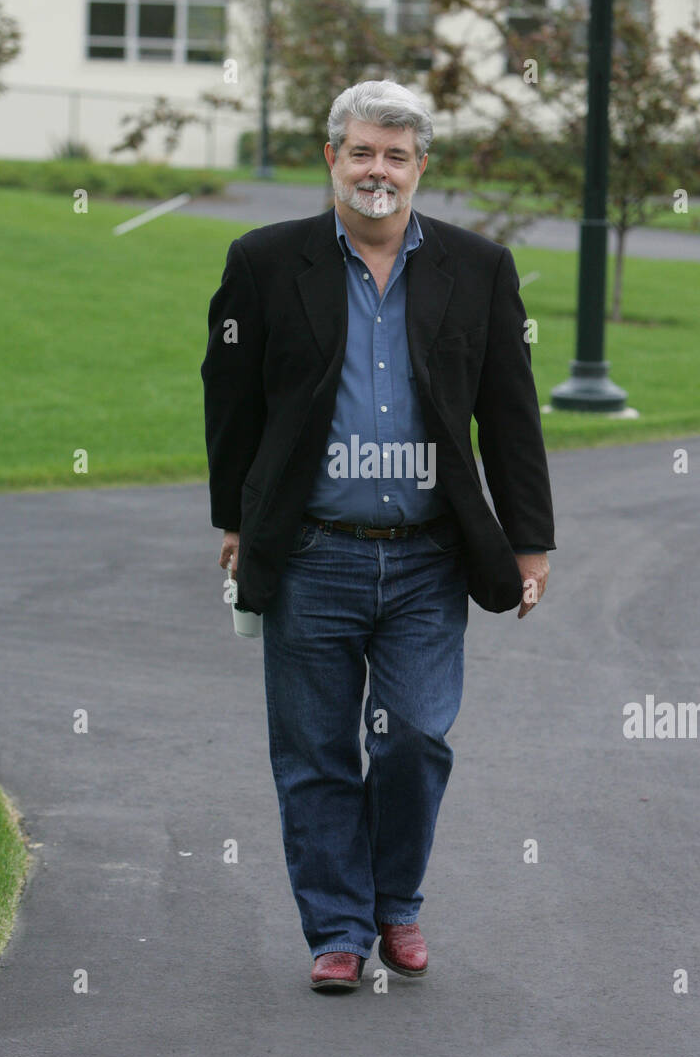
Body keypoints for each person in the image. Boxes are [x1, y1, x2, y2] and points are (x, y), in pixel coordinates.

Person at [201, 79, 554, 993]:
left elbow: (511, 417)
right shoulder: (266, 262)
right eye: (361, 152)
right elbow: (230, 404)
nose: (377, 171)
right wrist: (236, 520)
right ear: (332, 158)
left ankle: (396, 903)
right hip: (313, 550)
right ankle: (339, 933)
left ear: (421, 166)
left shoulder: (477, 268)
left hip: (431, 559)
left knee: (415, 739)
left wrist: (530, 542)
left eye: (396, 156)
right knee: (315, 752)